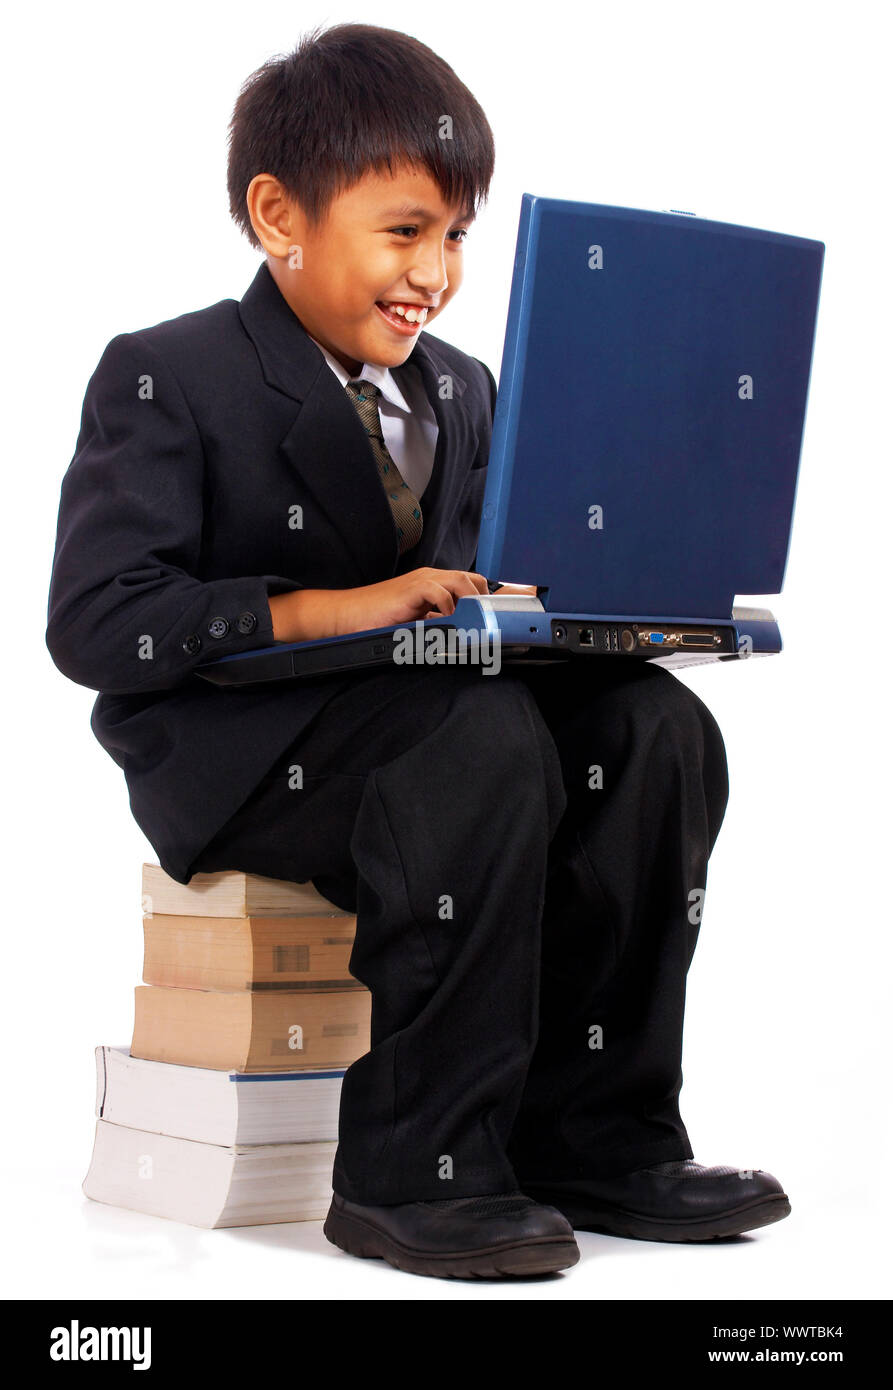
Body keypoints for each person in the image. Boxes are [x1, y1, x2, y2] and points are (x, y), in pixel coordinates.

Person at [45, 22, 790, 1281]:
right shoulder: (168, 373)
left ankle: (597, 1138)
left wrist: (569, 613)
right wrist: (354, 606)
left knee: (651, 726)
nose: (434, 272)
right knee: (479, 739)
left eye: (454, 237)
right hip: (251, 749)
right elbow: (100, 622)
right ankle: (411, 1170)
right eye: (403, 232)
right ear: (277, 212)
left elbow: (462, 598)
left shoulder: (466, 386)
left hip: (435, 717)